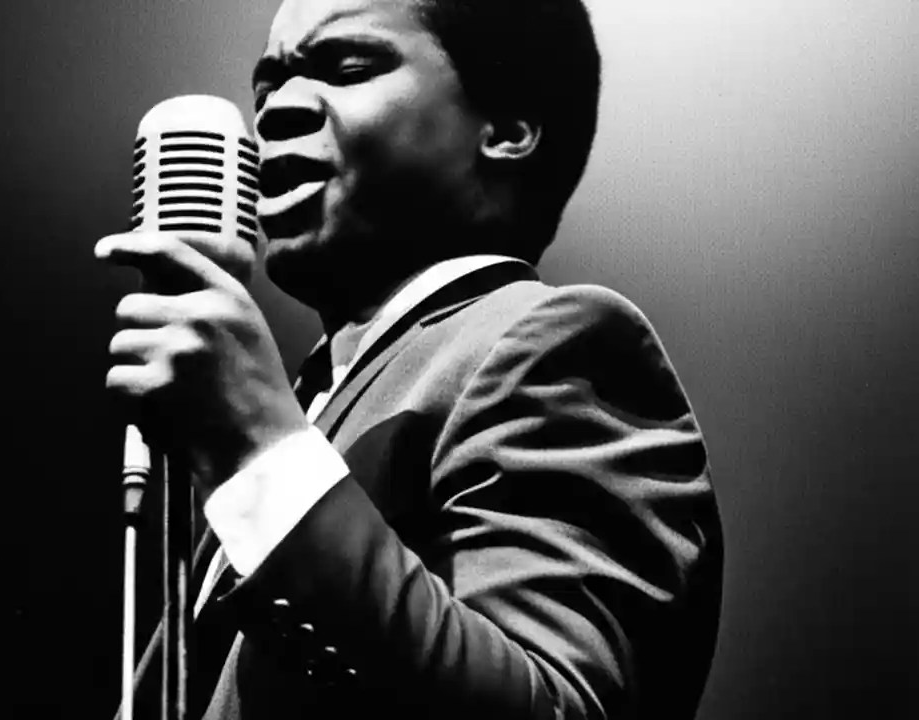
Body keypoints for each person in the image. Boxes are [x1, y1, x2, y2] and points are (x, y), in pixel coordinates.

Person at [95, 0, 723, 717]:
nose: (274, 113)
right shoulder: (306, 410)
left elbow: (556, 706)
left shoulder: (557, 344)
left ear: (508, 128)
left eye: (348, 67)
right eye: (267, 86)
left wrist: (265, 455)